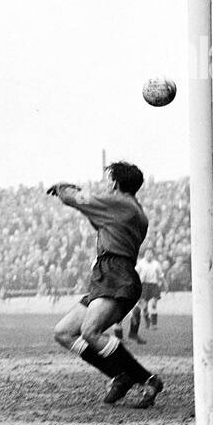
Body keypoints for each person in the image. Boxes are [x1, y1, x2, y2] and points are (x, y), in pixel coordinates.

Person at [48, 162, 164, 407]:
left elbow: (80, 199)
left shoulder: (122, 205)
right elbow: (97, 218)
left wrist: (62, 188)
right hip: (108, 274)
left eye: (107, 180)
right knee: (64, 332)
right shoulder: (132, 211)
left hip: (116, 274)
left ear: (114, 183)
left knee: (90, 332)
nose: (105, 184)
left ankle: (148, 380)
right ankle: (119, 376)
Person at [138, 248, 164, 329]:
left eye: (150, 253)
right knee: (144, 307)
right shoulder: (140, 263)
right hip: (143, 286)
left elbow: (161, 275)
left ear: (153, 254)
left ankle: (154, 324)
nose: (149, 254)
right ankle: (148, 322)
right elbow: (135, 274)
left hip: (153, 285)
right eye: (147, 253)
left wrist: (165, 285)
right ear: (145, 254)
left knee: (153, 305)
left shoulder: (156, 264)